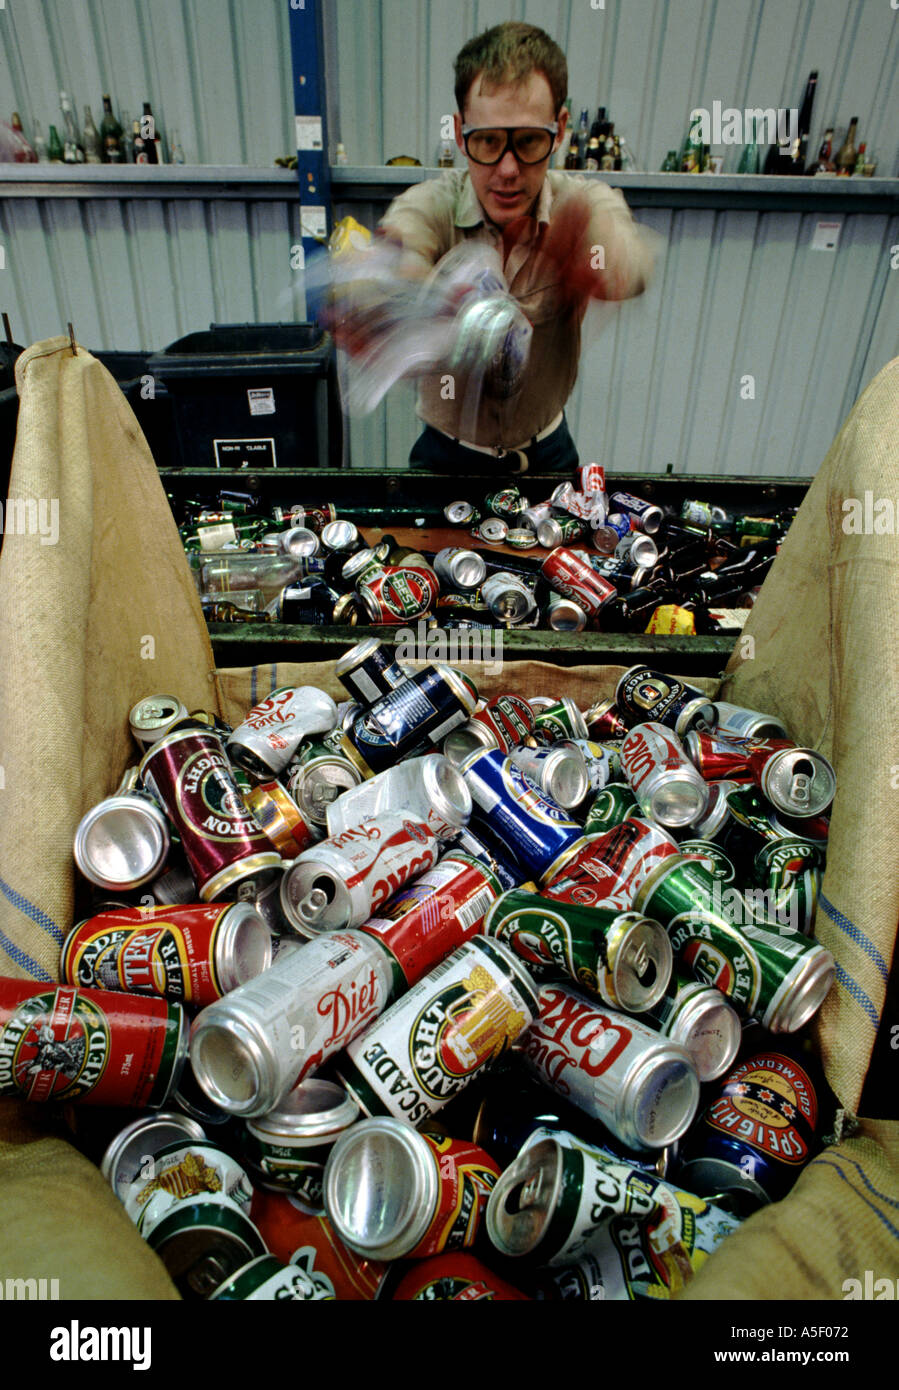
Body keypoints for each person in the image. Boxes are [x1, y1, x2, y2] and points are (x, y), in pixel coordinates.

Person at [377, 20, 658, 474]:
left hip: (547, 457)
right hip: (444, 460)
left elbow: (629, 260)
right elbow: (400, 257)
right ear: (458, 130)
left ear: (561, 128)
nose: (507, 169)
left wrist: (598, 264)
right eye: (487, 141)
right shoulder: (430, 206)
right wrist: (399, 298)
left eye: (528, 141)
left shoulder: (583, 205)